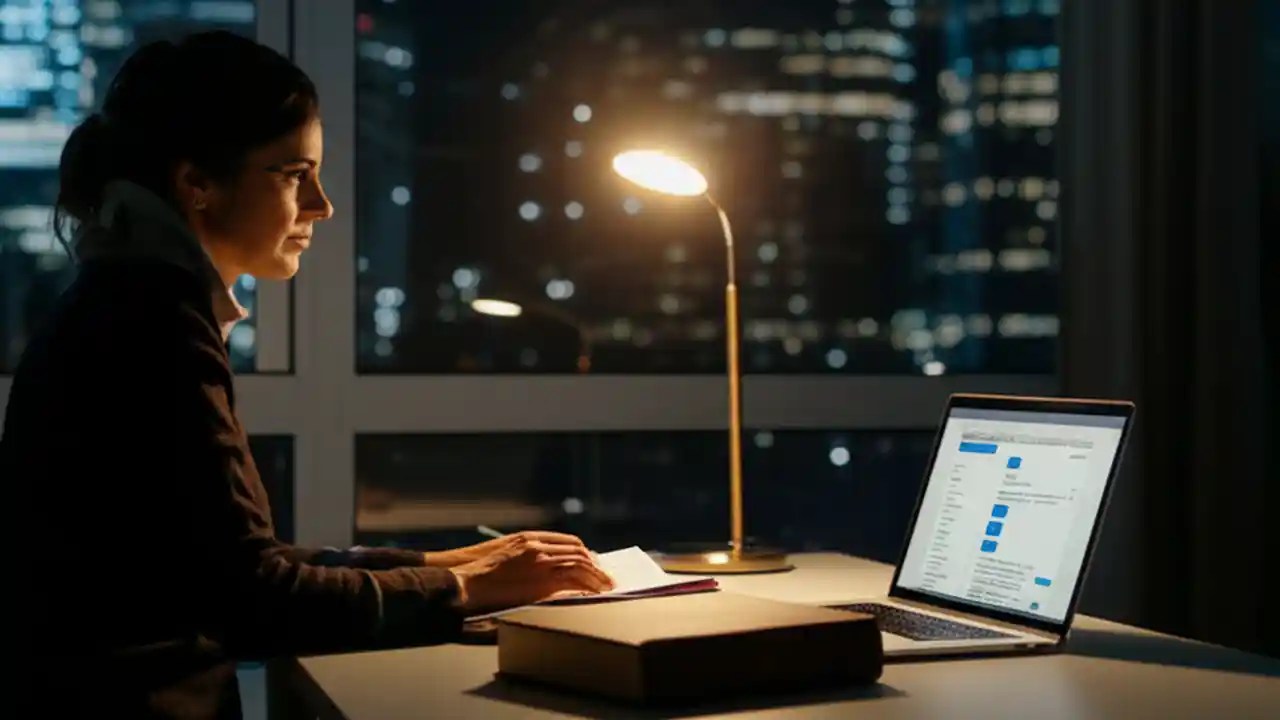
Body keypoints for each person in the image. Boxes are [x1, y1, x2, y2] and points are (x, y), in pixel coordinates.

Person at [0, 32, 613, 719]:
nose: (320, 206)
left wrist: (454, 565)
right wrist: (466, 592)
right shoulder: (152, 328)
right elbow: (254, 600)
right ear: (195, 183)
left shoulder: (127, 302)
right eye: (294, 175)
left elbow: (225, 561)